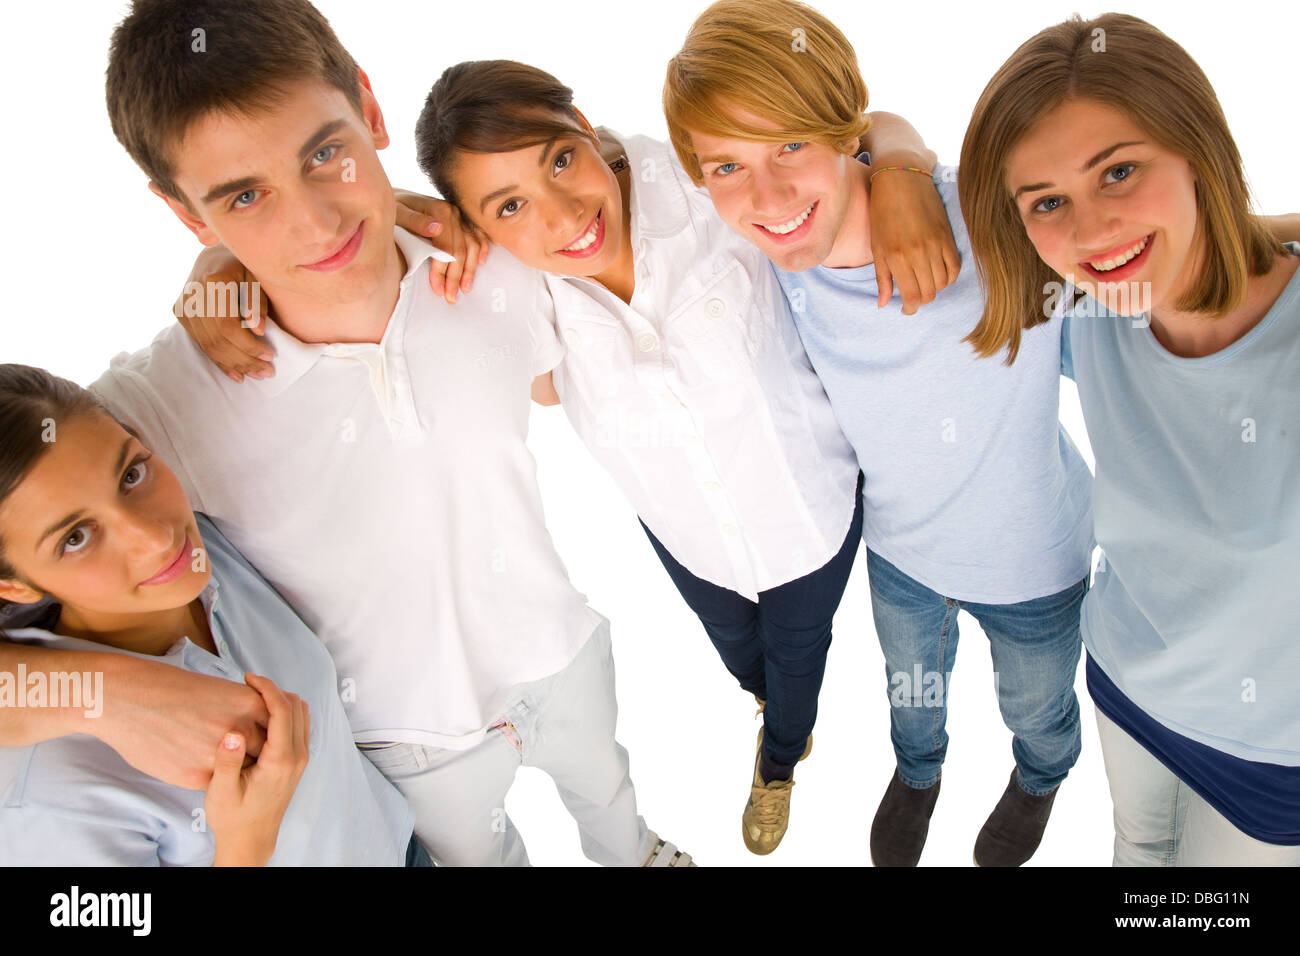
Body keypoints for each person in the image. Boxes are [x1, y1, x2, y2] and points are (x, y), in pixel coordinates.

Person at [175, 54, 959, 854]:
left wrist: (896, 166)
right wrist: (220, 271)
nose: (562, 214)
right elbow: (375, 262)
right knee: (742, 656)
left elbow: (844, 142)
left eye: (559, 159)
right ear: (479, 226)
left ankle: (782, 758)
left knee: (799, 662)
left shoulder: (705, 187)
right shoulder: (506, 279)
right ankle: (764, 700)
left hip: (808, 520)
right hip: (686, 538)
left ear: (585, 128)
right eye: (509, 204)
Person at [0, 0, 691, 868]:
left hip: (557, 649)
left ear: (369, 106)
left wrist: (886, 157)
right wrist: (101, 694)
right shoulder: (146, 414)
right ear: (185, 213)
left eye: (326, 153)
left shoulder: (498, 255)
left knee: (612, 796)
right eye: (244, 197)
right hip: (408, 742)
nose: (317, 224)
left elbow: (667, 187)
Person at [661, 0, 1095, 866]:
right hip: (900, 559)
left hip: (1035, 563)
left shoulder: (993, 220)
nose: (769, 196)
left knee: (1037, 707)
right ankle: (919, 771)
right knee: (913, 697)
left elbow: (1164, 278)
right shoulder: (755, 267)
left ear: (842, 129)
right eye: (727, 166)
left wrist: (905, 167)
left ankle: (1042, 776)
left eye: (789, 144)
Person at [957, 12, 1300, 866]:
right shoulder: (1086, 314)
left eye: (1118, 170)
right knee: (1137, 856)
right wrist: (890, 164)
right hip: (1125, 682)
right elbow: (865, 176)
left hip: (1269, 754)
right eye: (1047, 201)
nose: (1089, 233)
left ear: (1199, 146)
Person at [0, 365, 421, 865]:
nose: (156, 538)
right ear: (14, 586)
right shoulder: (47, 796)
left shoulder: (213, 548)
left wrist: (223, 287)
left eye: (132, 474)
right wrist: (246, 843)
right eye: (76, 538)